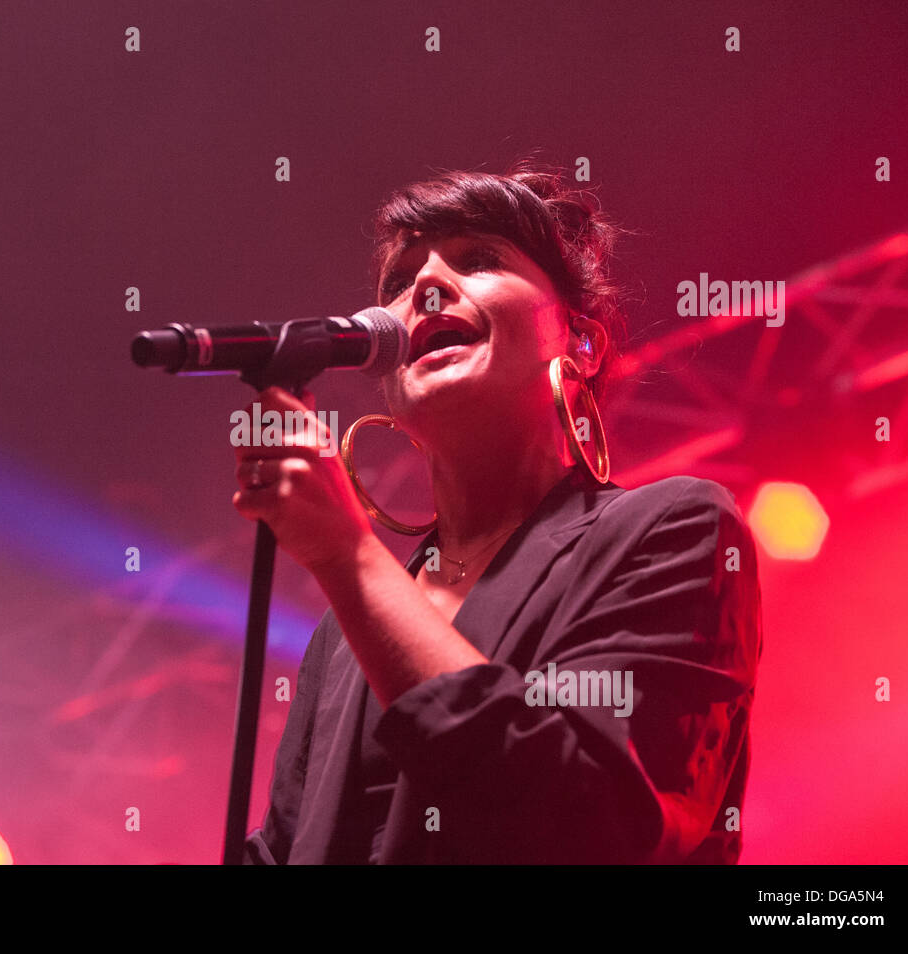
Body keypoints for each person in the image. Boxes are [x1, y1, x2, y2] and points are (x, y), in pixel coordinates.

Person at [233, 161, 763, 864]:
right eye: (398, 281)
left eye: (480, 260)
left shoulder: (673, 531)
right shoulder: (341, 634)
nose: (425, 286)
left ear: (580, 340)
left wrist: (350, 560)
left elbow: (591, 826)